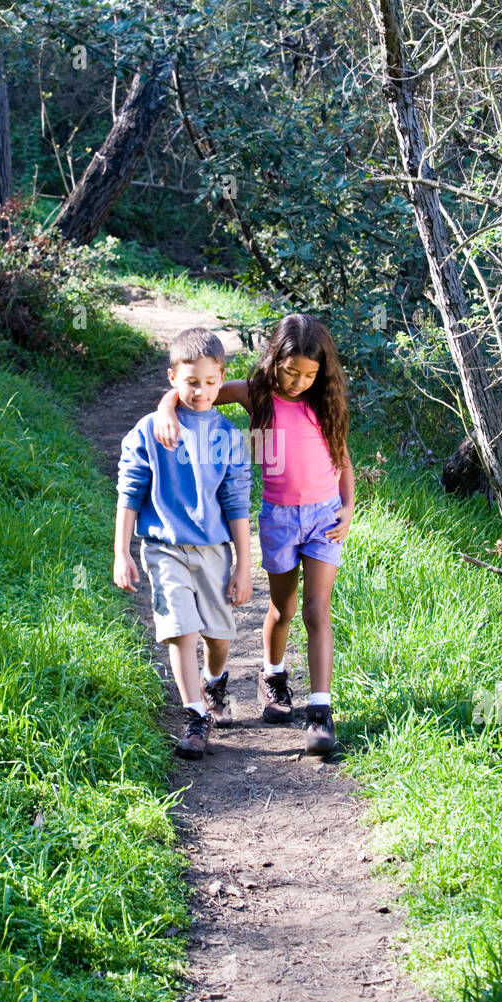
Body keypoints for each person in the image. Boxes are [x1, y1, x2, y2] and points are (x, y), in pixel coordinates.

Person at [154, 314, 354, 755]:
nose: (299, 381)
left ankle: (320, 709)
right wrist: (167, 408)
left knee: (317, 609)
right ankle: (274, 675)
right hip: (280, 517)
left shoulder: (325, 401)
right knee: (282, 610)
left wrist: (348, 507)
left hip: (324, 518)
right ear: (275, 360)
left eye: (309, 375)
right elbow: (200, 391)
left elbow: (342, 457)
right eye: (290, 371)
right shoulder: (255, 394)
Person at [114, 327, 253, 761]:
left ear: (222, 378)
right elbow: (130, 490)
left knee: (218, 637)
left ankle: (215, 682)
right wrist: (121, 551)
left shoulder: (228, 436)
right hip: (163, 546)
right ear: (172, 378)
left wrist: (244, 566)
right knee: (180, 629)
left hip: (213, 549)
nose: (202, 391)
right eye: (191, 382)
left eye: (211, 383)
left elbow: (237, 501)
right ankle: (195, 715)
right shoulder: (149, 431)